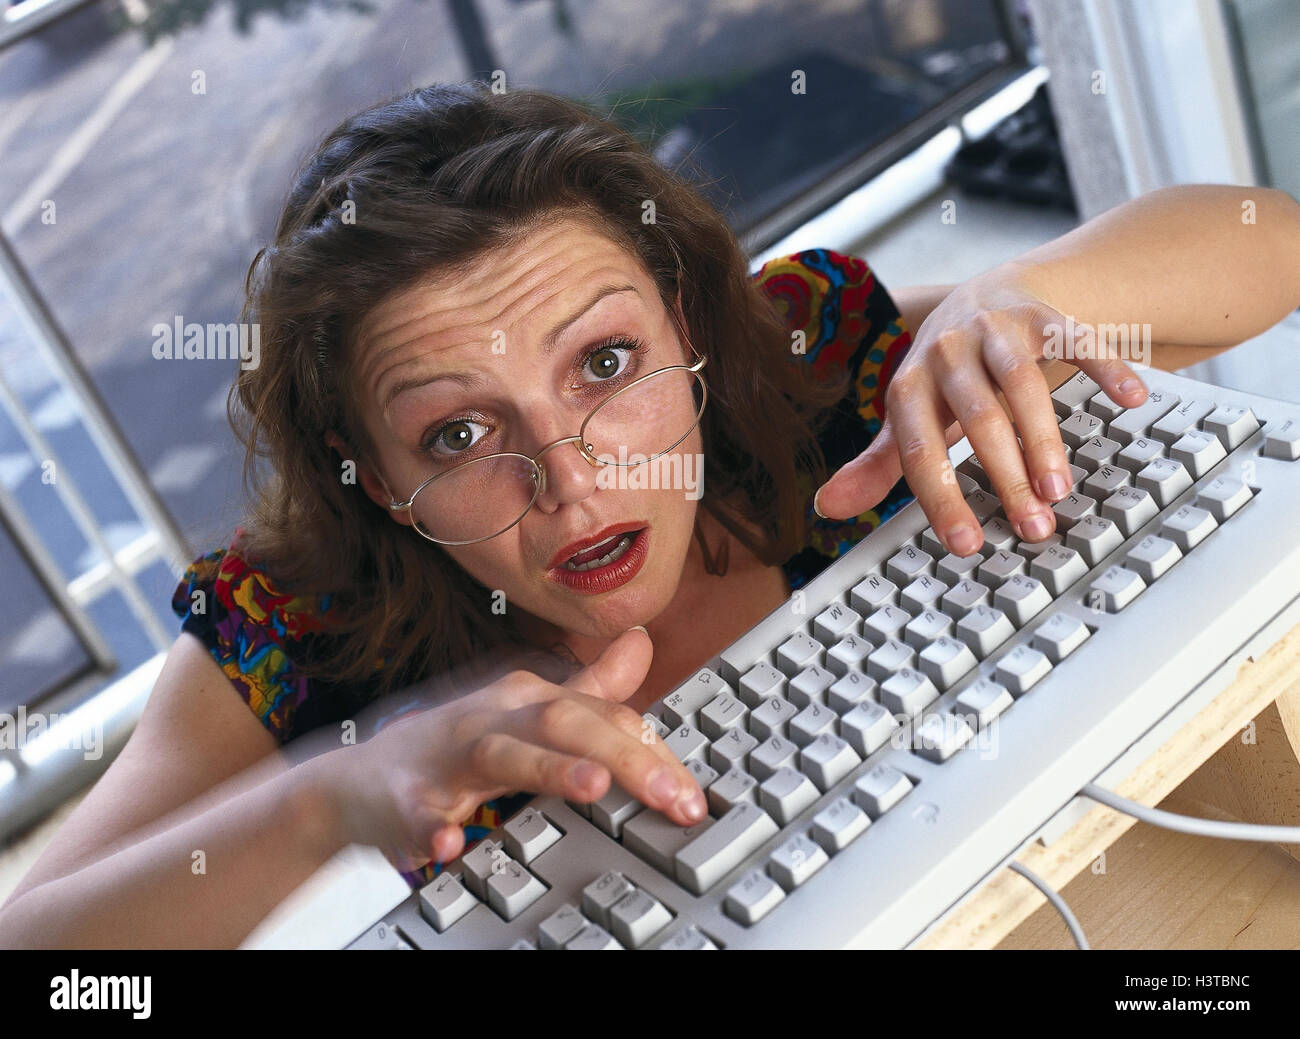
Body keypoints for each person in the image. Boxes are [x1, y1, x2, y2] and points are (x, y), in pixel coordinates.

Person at [2, 82, 1297, 949]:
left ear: (682, 325)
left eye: (605, 365)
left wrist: (1021, 293)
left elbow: (1272, 241)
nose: (569, 482)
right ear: (375, 477)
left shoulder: (805, 360)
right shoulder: (299, 616)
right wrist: (331, 796)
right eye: (459, 434)